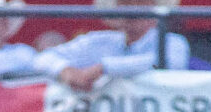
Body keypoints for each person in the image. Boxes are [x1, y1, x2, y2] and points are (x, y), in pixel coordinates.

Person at [31, 0, 190, 91]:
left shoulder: (173, 42)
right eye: (125, 3)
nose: (132, 10)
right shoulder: (97, 41)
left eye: (140, 2)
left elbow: (170, 62)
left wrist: (103, 68)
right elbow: (42, 59)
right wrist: (65, 71)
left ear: (155, 7)